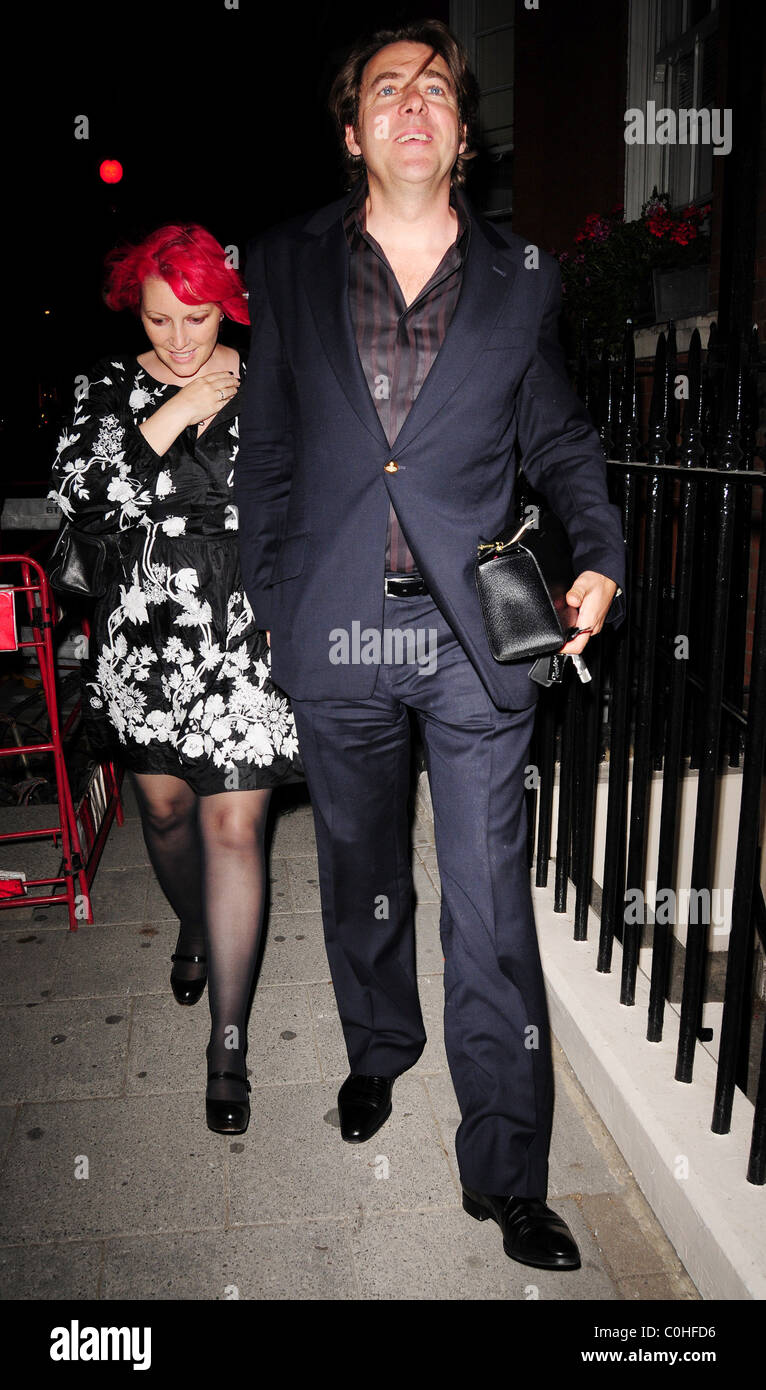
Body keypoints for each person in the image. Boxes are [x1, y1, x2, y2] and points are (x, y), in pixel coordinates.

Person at [235, 20, 625, 1270]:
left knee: (490, 902)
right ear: (354, 133)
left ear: (463, 134)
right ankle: (378, 1050)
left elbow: (558, 437)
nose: (416, 104)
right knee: (361, 875)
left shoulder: (522, 279)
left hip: (472, 636)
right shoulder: (288, 265)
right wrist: (271, 603)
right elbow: (270, 453)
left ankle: (507, 1170)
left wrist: (602, 550)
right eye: (388, 89)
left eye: (439, 89)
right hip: (337, 626)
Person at [49, 224, 302, 1136]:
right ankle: (192, 924)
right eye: (160, 320)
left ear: (226, 305)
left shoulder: (275, 375)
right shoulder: (107, 387)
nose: (181, 338)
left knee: (234, 825)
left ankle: (227, 1045)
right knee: (161, 812)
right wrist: (175, 406)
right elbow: (81, 493)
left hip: (243, 632)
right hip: (142, 632)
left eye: (197, 318)